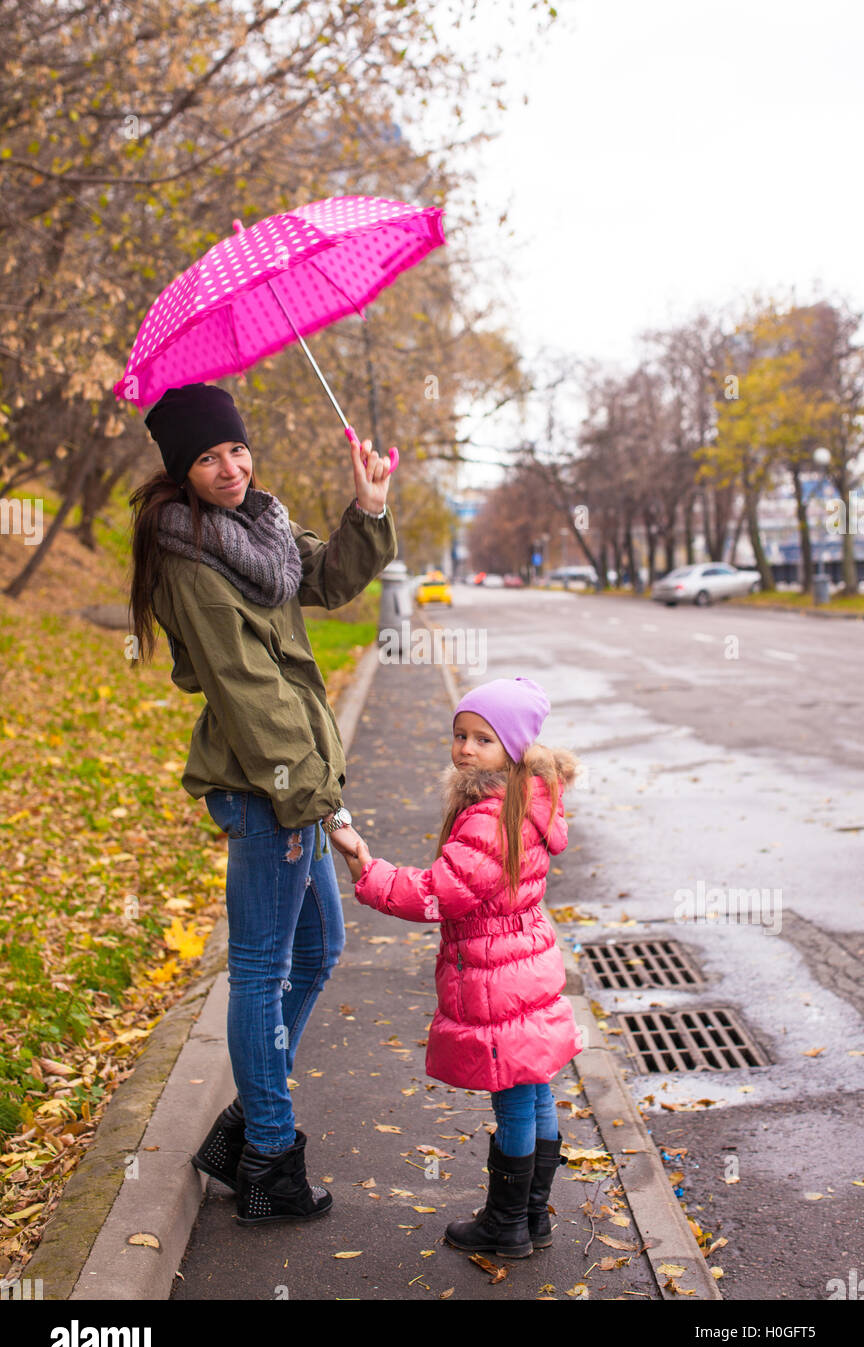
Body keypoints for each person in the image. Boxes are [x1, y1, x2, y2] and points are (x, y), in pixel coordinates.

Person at [127, 382, 396, 1224]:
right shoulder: (188, 559)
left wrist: (367, 506)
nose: (230, 466)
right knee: (261, 967)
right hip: (266, 788)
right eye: (208, 458)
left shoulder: (260, 528)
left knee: (316, 949)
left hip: (289, 782)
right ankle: (270, 1159)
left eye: (236, 449)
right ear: (182, 471)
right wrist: (326, 809)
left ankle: (250, 1119)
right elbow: (252, 698)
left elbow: (328, 580)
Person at [344, 676, 582, 1257]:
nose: (466, 748)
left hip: (496, 973)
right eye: (460, 735)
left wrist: (365, 869)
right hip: (525, 962)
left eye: (483, 739)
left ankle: (506, 1227)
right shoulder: (528, 801)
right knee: (535, 1088)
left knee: (514, 1098)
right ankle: (532, 1218)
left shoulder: (489, 818)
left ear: (515, 750)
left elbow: (438, 893)